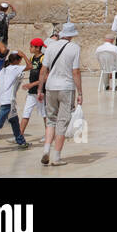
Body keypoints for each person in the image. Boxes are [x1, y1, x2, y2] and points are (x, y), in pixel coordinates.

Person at [38, 23, 83, 167]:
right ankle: (56, 157)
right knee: (62, 122)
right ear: (72, 35)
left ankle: (46, 149)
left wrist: (40, 90)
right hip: (66, 87)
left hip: (50, 87)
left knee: (51, 120)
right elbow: (75, 71)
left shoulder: (50, 46)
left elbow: (43, 70)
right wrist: (80, 92)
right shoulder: (75, 48)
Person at [20, 38, 45, 137]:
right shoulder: (32, 58)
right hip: (32, 92)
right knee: (26, 112)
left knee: (44, 114)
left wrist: (32, 84)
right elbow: (29, 67)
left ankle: (48, 135)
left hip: (41, 91)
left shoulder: (43, 59)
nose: (30, 48)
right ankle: (20, 135)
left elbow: (46, 76)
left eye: (31, 46)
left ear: (37, 48)